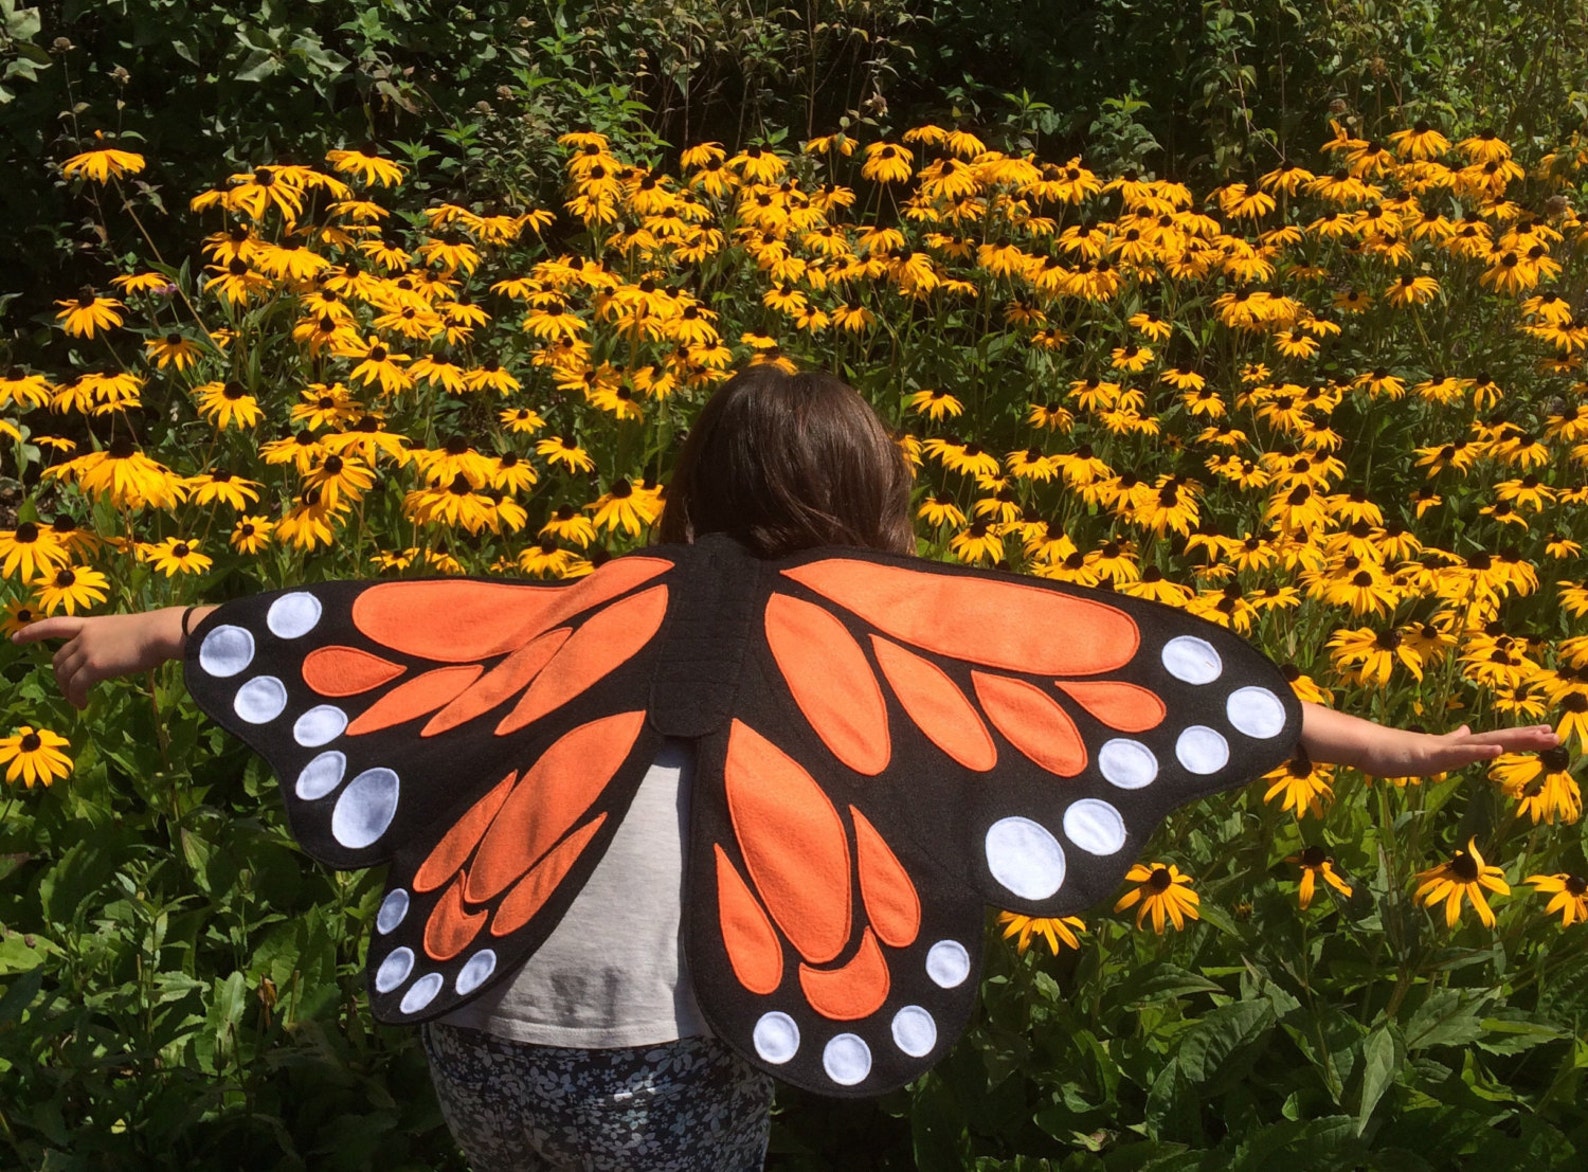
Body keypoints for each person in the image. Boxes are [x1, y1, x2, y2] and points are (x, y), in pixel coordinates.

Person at [13, 366, 1560, 1170]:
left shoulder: (580, 601)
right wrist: (1399, 742)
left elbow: (346, 625)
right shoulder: (921, 621)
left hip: (475, 1025)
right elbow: (1153, 682)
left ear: (686, 493)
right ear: (875, 497)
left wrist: (149, 628)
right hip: (668, 1063)